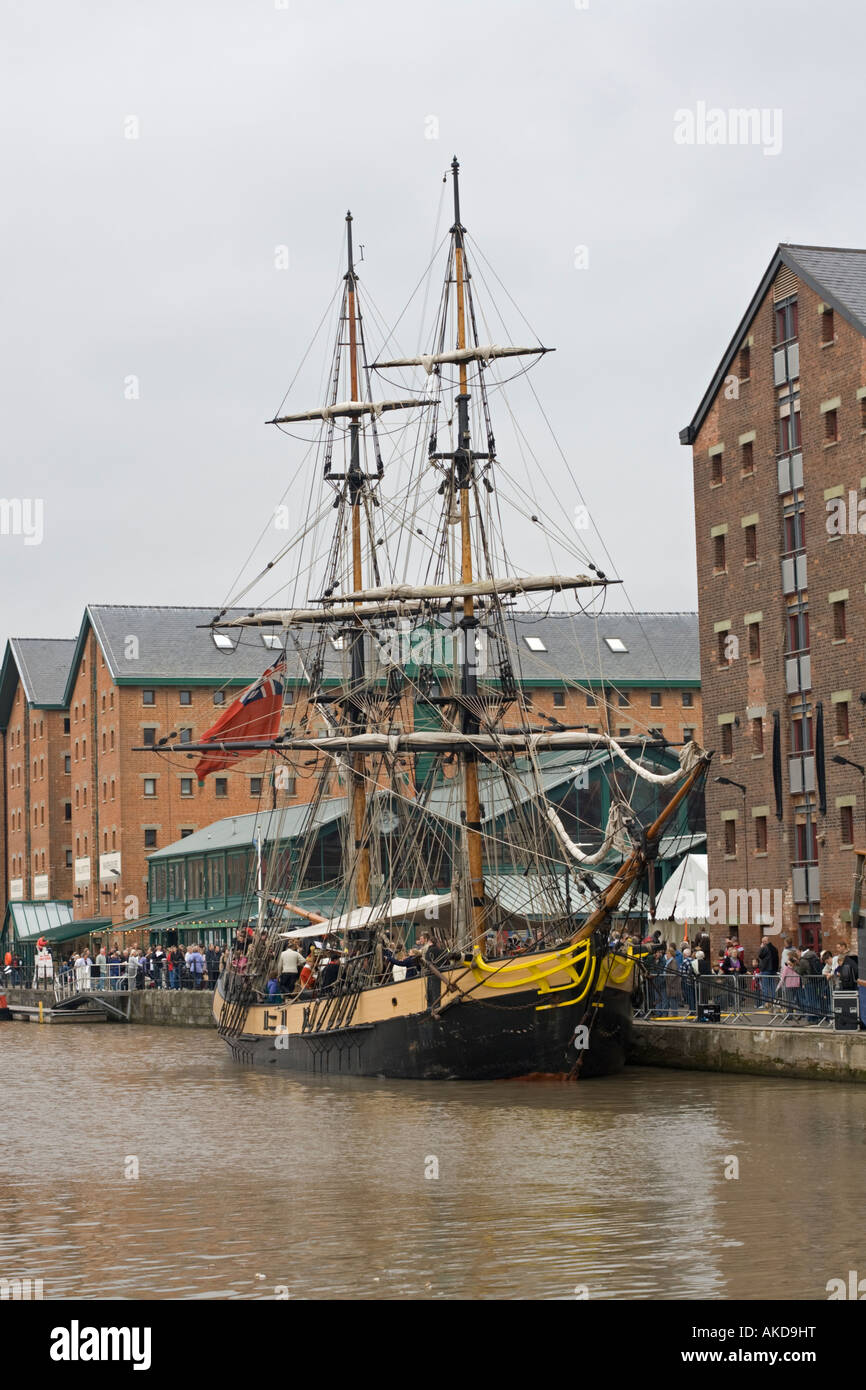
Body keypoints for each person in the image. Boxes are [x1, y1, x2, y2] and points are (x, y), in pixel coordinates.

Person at [757, 935, 779, 1006]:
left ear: (764, 942)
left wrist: (761, 948)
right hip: (773, 970)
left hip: (766, 969)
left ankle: (766, 1002)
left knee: (765, 987)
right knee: (772, 986)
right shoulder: (775, 948)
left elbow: (760, 955)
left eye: (763, 942)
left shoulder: (765, 948)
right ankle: (773, 1001)